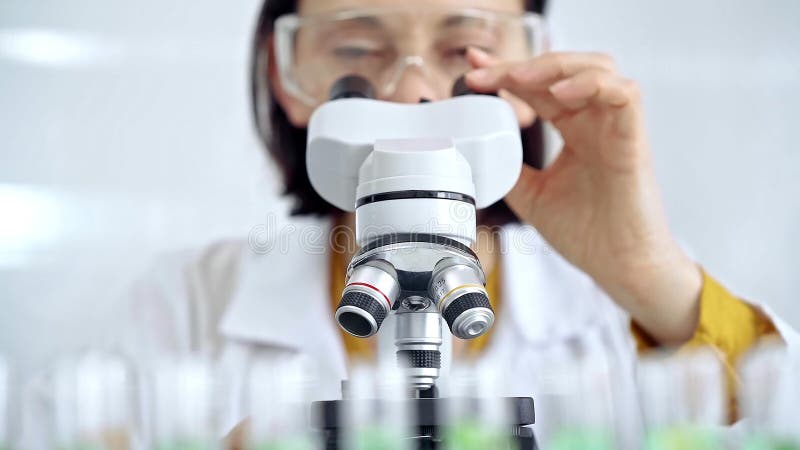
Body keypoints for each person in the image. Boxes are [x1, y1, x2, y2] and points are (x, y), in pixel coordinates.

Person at [119, 0, 799, 444]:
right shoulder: (184, 303)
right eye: (356, 55)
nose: (413, 93)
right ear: (284, 74)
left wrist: (648, 277)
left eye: (464, 54)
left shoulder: (625, 302)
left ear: (529, 71)